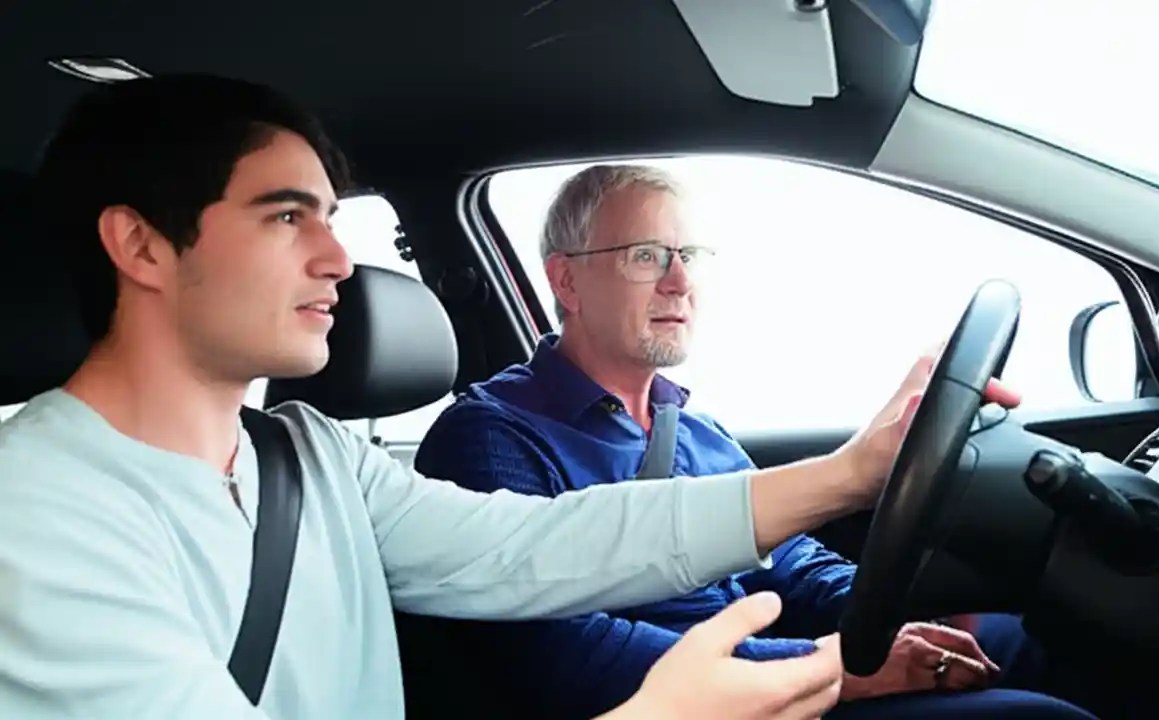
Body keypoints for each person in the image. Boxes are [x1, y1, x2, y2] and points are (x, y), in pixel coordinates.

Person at [0, 74, 979, 720]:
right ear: (140, 246)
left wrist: (850, 475)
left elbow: (534, 545)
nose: (339, 258)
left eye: (331, 217)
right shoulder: (34, 513)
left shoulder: (309, 455)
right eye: (286, 217)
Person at [414, 165, 1100, 719]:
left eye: (688, 256)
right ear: (567, 280)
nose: (680, 282)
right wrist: (830, 669)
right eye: (646, 256)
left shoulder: (694, 428)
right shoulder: (489, 439)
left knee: (1043, 639)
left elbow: (791, 566)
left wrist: (898, 613)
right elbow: (563, 659)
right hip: (691, 706)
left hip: (770, 674)